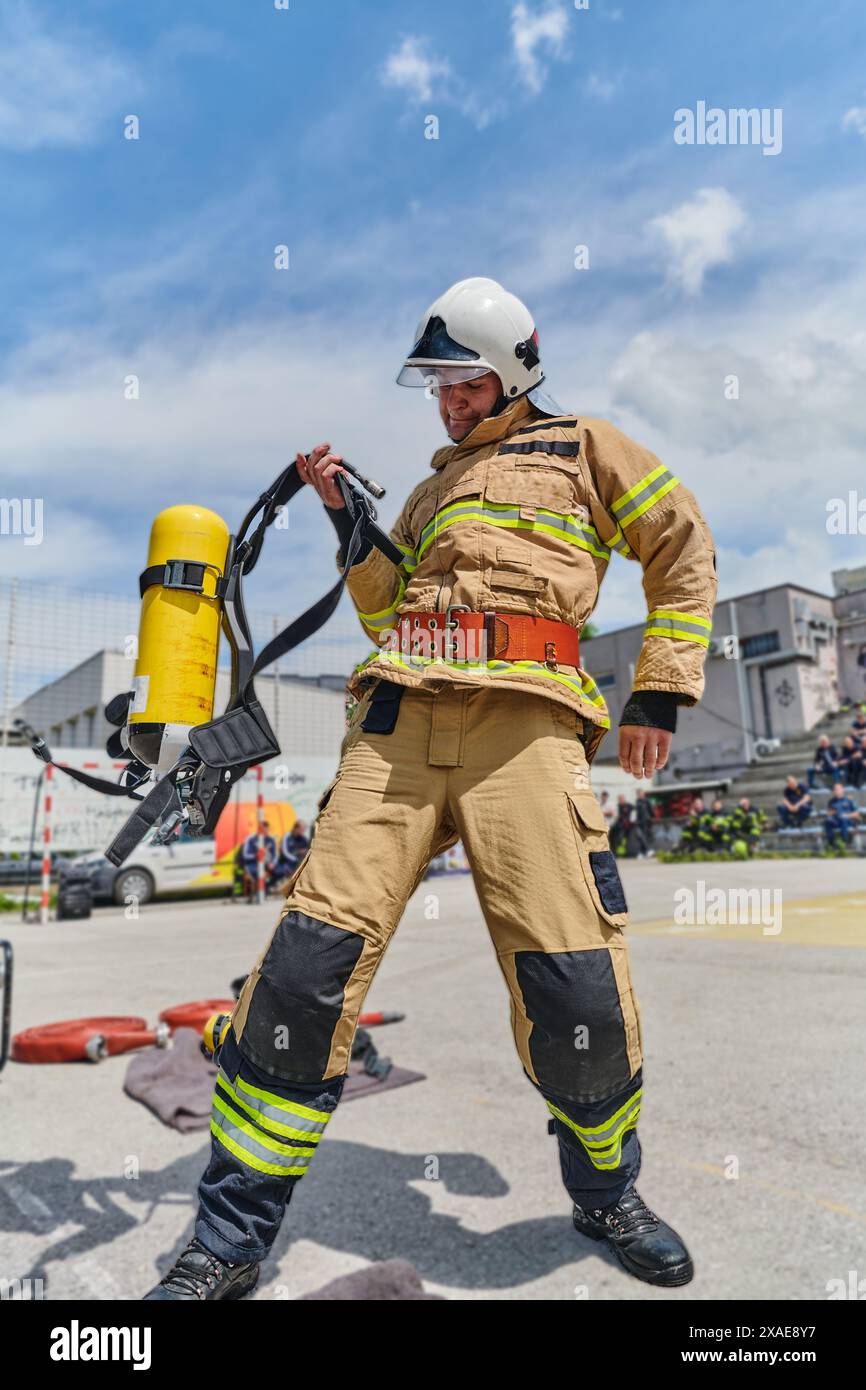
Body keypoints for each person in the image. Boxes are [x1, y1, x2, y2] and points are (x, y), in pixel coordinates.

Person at [145, 276, 716, 1299]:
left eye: (462, 383)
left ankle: (604, 1192)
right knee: (302, 972)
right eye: (438, 389)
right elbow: (381, 613)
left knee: (574, 985)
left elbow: (680, 543)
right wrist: (342, 518)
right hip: (396, 725)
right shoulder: (424, 492)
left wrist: (660, 692)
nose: (447, 404)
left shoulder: (587, 446)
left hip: (527, 726)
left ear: (512, 370)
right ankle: (227, 1241)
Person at [239, 821, 278, 900]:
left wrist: (272, 863)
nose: (265, 833)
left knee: (278, 872)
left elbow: (275, 855)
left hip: (266, 864)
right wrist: (256, 856)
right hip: (252, 864)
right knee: (260, 874)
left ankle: (263, 892)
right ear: (259, 830)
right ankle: (260, 894)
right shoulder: (251, 839)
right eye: (263, 831)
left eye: (266, 831)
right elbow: (245, 855)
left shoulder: (271, 839)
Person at [824, 783, 862, 849]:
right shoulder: (831, 801)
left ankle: (844, 843)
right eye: (834, 789)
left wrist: (846, 815)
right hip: (836, 820)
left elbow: (856, 813)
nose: (836, 791)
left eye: (838, 789)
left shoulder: (849, 800)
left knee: (843, 819)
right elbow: (828, 814)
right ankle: (831, 843)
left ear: (842, 790)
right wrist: (831, 813)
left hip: (848, 821)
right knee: (827, 822)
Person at [634, 789, 654, 858]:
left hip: (646, 821)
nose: (639, 795)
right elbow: (636, 812)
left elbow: (651, 810)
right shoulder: (637, 801)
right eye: (638, 794)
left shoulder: (647, 801)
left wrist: (652, 818)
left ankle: (644, 852)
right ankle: (645, 851)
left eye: (640, 793)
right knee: (640, 836)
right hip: (639, 822)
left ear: (643, 794)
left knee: (643, 836)